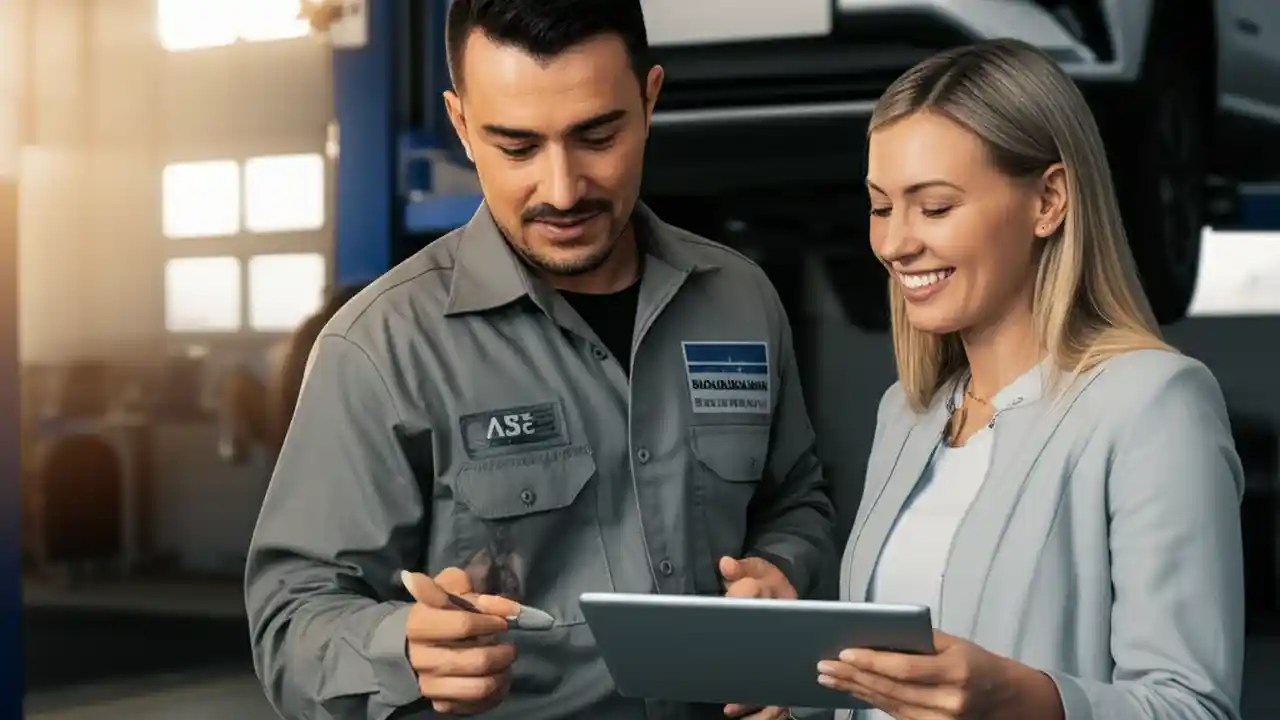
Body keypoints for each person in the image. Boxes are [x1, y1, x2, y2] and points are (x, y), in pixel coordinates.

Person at [243, 1, 835, 719]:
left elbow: (795, 500)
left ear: (649, 100)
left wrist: (783, 572)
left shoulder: (740, 300)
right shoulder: (380, 348)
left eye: (597, 136)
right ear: (461, 125)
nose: (562, 189)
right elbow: (290, 620)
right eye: (517, 147)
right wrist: (400, 648)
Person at [804, 38, 1245, 720]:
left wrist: (1027, 701)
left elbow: (1193, 707)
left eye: (935, 206)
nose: (895, 243)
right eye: (882, 206)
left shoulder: (1155, 406)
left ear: (1049, 200)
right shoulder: (907, 413)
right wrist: (792, 676)